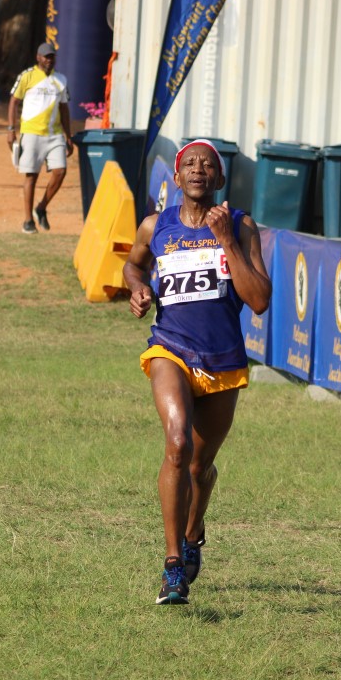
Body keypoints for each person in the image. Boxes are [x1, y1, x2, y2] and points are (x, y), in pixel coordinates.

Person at [122, 140, 272, 605]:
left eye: (208, 165)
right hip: (170, 349)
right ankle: (171, 566)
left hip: (223, 361)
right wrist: (138, 287)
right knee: (177, 443)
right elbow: (132, 263)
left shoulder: (242, 226)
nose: (198, 170)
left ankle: (193, 533)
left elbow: (260, 299)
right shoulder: (156, 226)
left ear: (220, 179)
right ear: (176, 177)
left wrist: (226, 239)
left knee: (199, 467)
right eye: (189, 163)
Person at [6, 42, 73, 235]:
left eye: (51, 56)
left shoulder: (61, 80)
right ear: (38, 57)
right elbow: (13, 102)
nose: (48, 60)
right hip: (31, 133)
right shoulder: (26, 76)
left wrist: (68, 136)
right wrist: (11, 129)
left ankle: (41, 207)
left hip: (54, 135)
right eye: (45, 56)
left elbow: (64, 108)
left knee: (60, 171)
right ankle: (28, 220)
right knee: (31, 176)